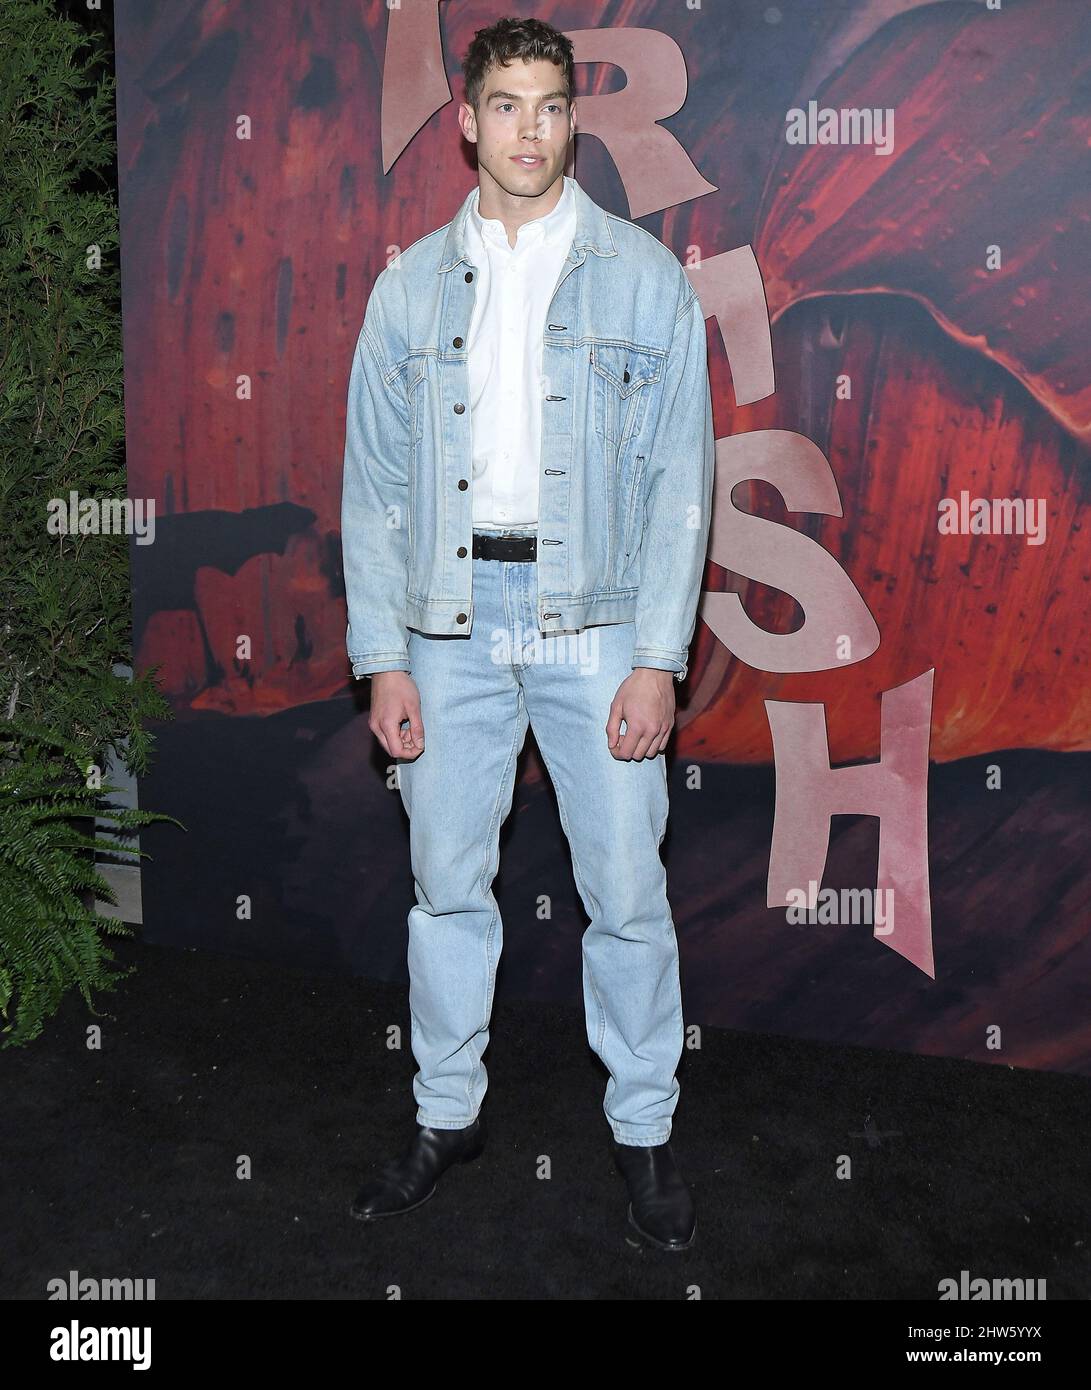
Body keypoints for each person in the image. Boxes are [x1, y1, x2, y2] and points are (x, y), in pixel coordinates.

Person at [340, 15, 714, 1252]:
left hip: (596, 617)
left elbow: (678, 485)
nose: (528, 130)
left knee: (623, 893)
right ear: (465, 116)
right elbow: (376, 486)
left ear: (574, 118)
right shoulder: (406, 289)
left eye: (550, 106)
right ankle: (446, 1115)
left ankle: (644, 1134)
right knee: (445, 889)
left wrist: (658, 657)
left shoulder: (643, 280)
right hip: (445, 624)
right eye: (504, 104)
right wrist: (381, 651)